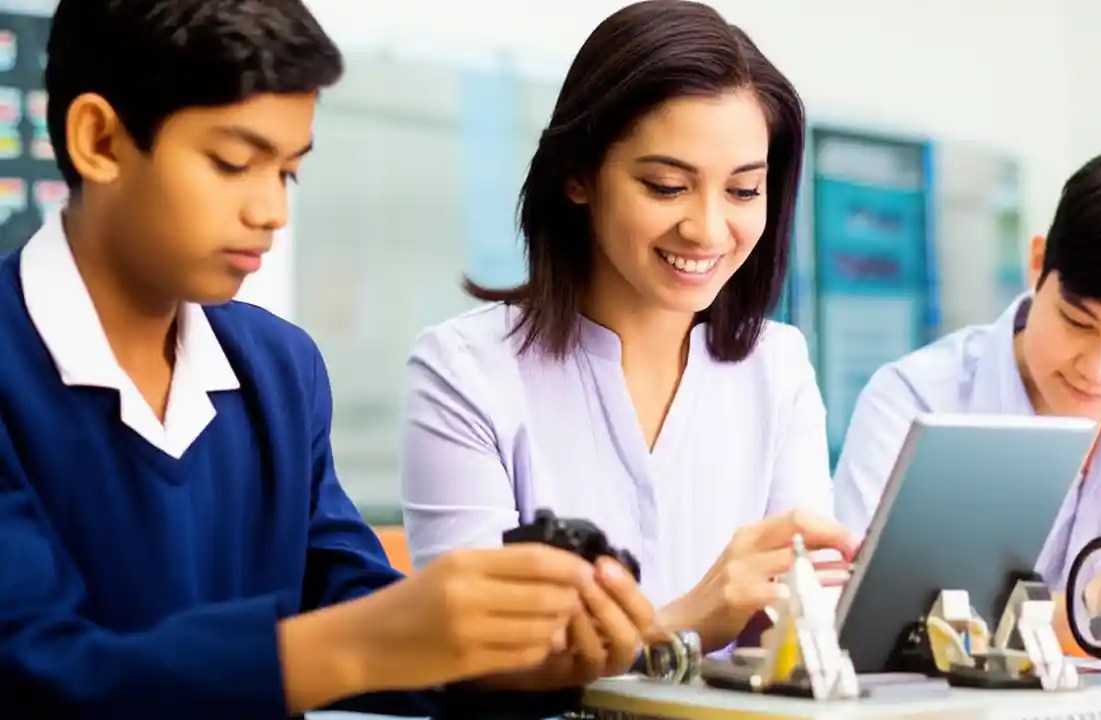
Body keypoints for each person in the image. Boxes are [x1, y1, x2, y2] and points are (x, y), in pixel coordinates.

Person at [0, 1, 642, 717]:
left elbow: (349, 596)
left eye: (289, 173)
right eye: (234, 163)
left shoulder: (277, 369)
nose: (271, 210)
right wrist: (356, 645)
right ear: (101, 140)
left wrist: (506, 659)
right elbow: (38, 674)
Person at [400, 0, 856, 667]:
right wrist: (690, 619)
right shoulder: (465, 370)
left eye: (743, 191)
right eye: (667, 186)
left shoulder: (777, 366)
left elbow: (798, 624)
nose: (707, 229)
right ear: (579, 175)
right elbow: (476, 659)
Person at [832, 147, 1101, 651]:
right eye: (1077, 322)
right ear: (1038, 264)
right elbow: (859, 641)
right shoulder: (915, 401)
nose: (1097, 367)